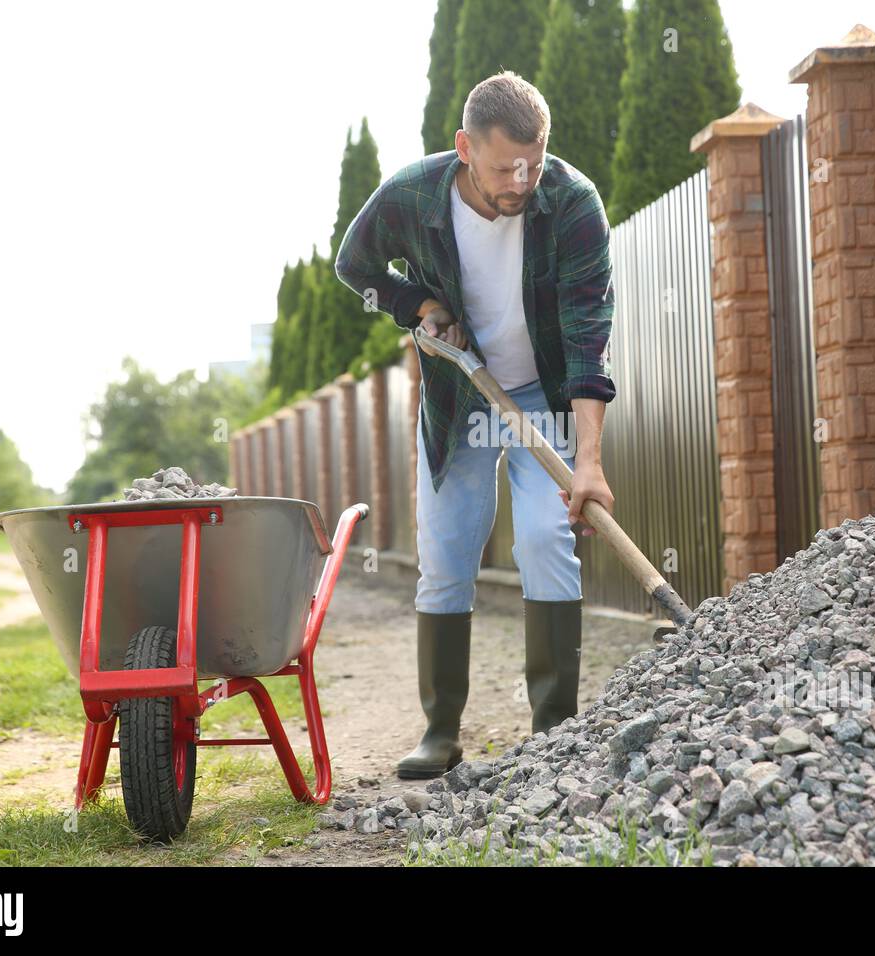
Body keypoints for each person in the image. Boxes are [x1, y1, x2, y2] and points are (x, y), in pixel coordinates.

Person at [334, 70, 616, 779]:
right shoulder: (413, 196)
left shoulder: (573, 204)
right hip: (461, 398)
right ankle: (440, 731)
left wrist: (589, 461)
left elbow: (588, 336)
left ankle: (555, 729)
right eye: (503, 168)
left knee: (550, 540)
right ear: (464, 148)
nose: (521, 182)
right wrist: (417, 305)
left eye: (534, 163)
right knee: (446, 556)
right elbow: (354, 263)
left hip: (543, 395)